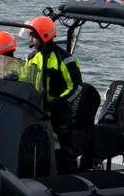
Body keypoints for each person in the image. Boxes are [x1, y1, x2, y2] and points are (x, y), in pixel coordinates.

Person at [22, 15, 83, 145]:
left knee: (61, 147)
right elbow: (24, 80)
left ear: (43, 36)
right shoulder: (31, 58)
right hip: (36, 108)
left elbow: (77, 88)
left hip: (59, 112)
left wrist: (57, 103)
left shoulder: (65, 59)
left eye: (33, 36)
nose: (31, 40)